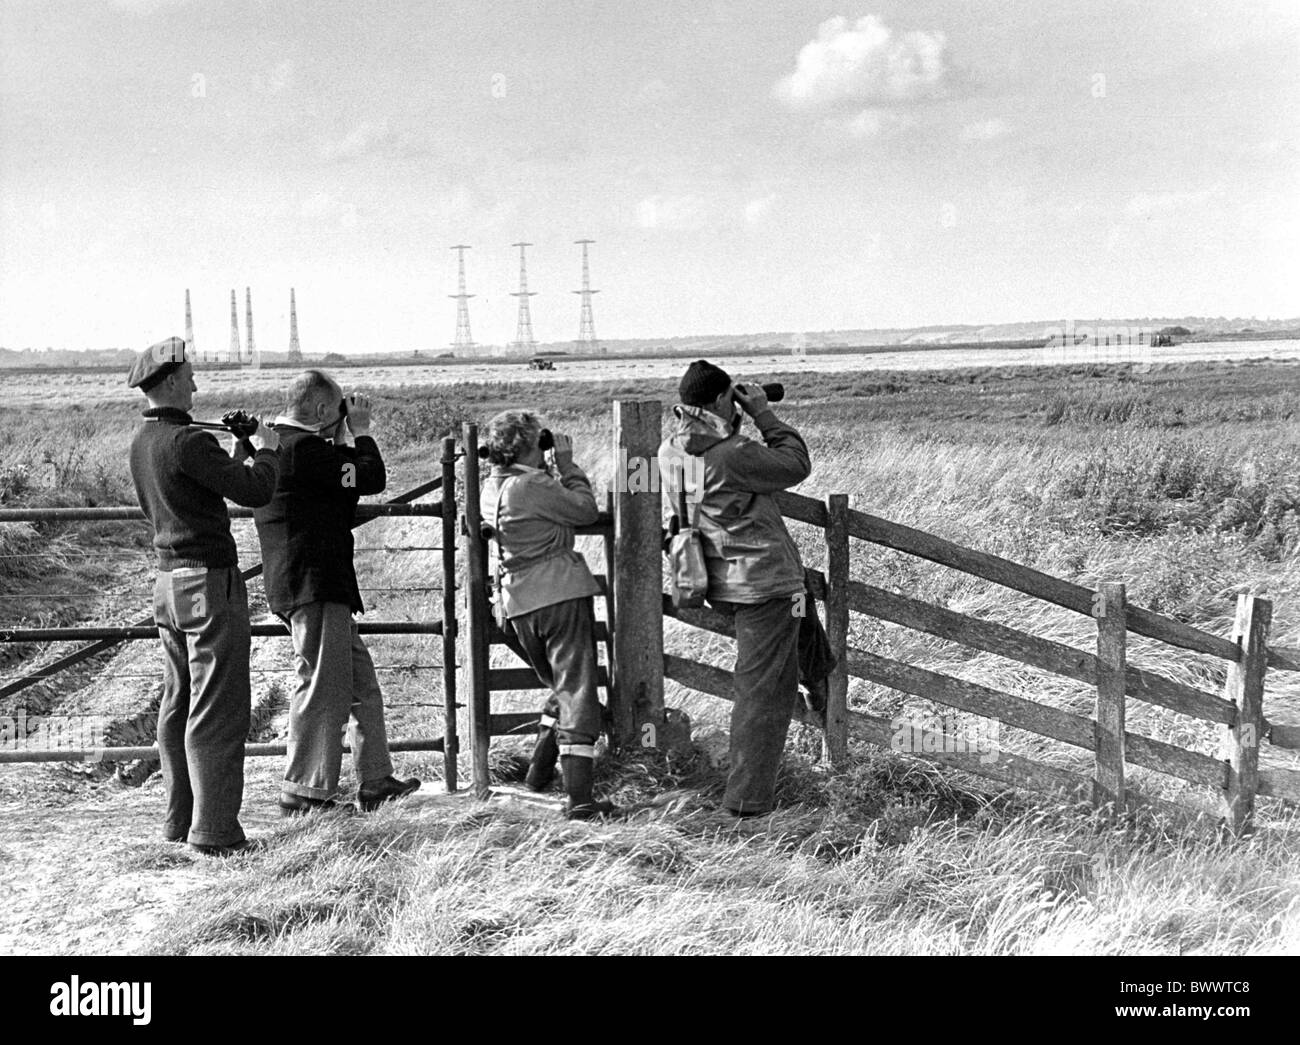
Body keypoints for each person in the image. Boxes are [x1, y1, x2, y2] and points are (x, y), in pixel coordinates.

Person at [658, 360, 834, 817]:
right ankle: (746, 806)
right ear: (720, 401)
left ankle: (823, 692)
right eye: (729, 397)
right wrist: (763, 414)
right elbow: (796, 464)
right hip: (761, 587)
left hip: (733, 580)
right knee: (763, 695)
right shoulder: (731, 453)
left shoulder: (671, 451)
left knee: (807, 628)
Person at [127, 336, 281, 855]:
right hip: (206, 582)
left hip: (168, 584)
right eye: (190, 375)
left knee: (179, 701)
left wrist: (241, 446)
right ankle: (215, 832)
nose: (195, 383)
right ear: (170, 381)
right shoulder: (188, 442)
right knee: (217, 705)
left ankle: (179, 820)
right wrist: (269, 449)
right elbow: (255, 490)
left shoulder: (145, 441)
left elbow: (221, 479)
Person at [253, 370, 420, 816]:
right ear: (324, 410)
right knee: (323, 686)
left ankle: (376, 778)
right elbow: (370, 478)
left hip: (314, 581)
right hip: (314, 582)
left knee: (359, 683)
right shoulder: (302, 449)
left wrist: (342, 439)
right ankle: (305, 791)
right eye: (338, 409)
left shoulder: (281, 446)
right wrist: (360, 432)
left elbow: (341, 497)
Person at [479, 411, 616, 820]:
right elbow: (585, 510)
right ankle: (580, 800)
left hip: (519, 603)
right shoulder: (532, 485)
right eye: (540, 441)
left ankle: (539, 772)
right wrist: (568, 466)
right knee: (577, 690)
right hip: (558, 594)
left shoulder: (491, 486)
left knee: (559, 683)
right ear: (527, 445)